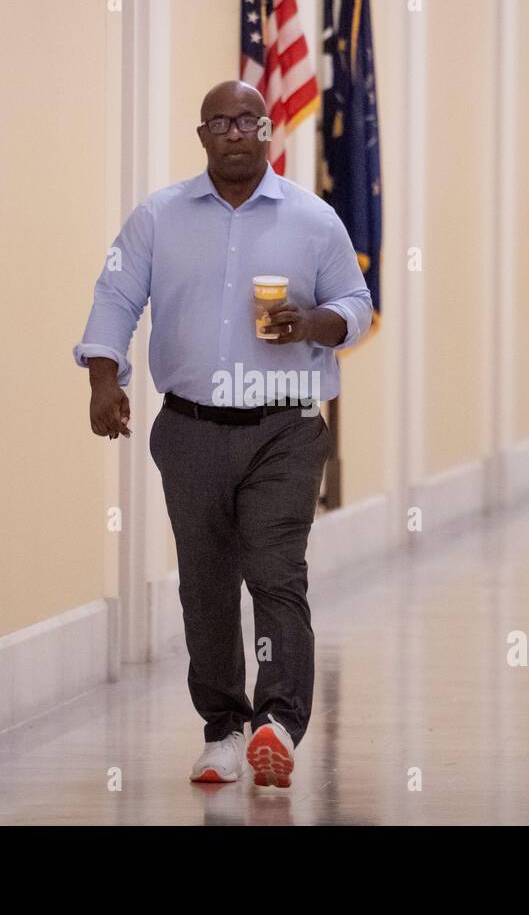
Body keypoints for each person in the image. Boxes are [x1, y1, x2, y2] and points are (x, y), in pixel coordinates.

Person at [73, 80, 372, 788]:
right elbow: (116, 295)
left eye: (248, 120)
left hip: (286, 428)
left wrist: (315, 322)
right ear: (202, 135)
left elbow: (355, 305)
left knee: (274, 573)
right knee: (206, 585)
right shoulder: (160, 217)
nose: (235, 132)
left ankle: (278, 723)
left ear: (268, 131)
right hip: (191, 428)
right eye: (221, 123)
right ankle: (224, 729)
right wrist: (102, 380)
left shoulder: (312, 218)